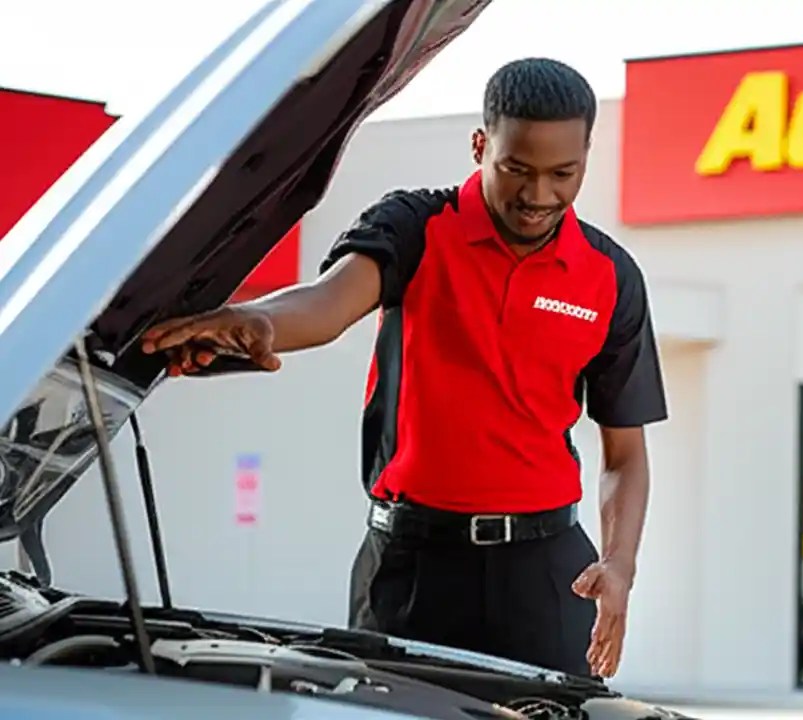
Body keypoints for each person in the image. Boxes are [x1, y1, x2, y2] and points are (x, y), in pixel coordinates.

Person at [139, 57, 668, 679]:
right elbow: (330, 302)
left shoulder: (610, 277)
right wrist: (260, 321)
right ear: (480, 145)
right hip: (410, 571)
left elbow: (626, 453)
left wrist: (620, 567)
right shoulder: (415, 226)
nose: (538, 195)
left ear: (586, 156)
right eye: (516, 169)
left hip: (547, 573)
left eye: (563, 174)